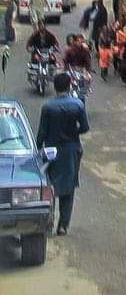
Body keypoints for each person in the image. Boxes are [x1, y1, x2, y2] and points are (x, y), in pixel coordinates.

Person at [36, 71, 89, 235]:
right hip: (72, 149)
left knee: (49, 186)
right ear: (69, 86)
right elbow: (85, 127)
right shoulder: (78, 105)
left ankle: (48, 221)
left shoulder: (48, 107)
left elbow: (42, 132)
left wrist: (36, 150)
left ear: (55, 86)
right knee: (69, 186)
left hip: (51, 151)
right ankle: (63, 225)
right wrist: (72, 132)